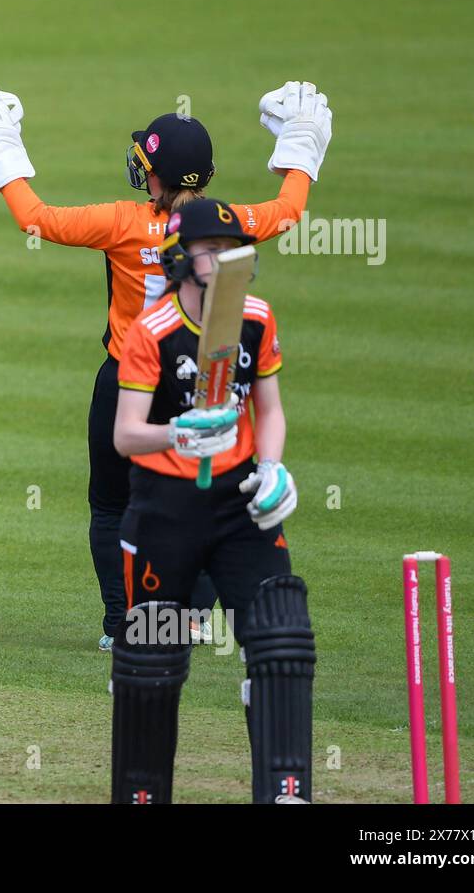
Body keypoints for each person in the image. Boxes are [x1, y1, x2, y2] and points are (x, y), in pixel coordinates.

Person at [0, 82, 331, 650]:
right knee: (204, 498)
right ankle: (194, 618)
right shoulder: (226, 224)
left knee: (111, 505)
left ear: (154, 176)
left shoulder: (122, 222)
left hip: (127, 381)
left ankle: (122, 623)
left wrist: (1, 152)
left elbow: (37, 219)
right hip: (202, 383)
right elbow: (289, 209)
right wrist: (300, 149)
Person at [108, 197, 313, 803]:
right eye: (210, 250)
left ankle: (286, 790)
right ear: (181, 257)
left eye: (231, 250)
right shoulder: (154, 332)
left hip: (238, 502)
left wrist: (273, 467)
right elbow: (125, 435)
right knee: (151, 655)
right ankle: (142, 796)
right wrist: (178, 432)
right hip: (165, 506)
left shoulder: (255, 316)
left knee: (281, 637)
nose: (222, 260)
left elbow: (268, 409)